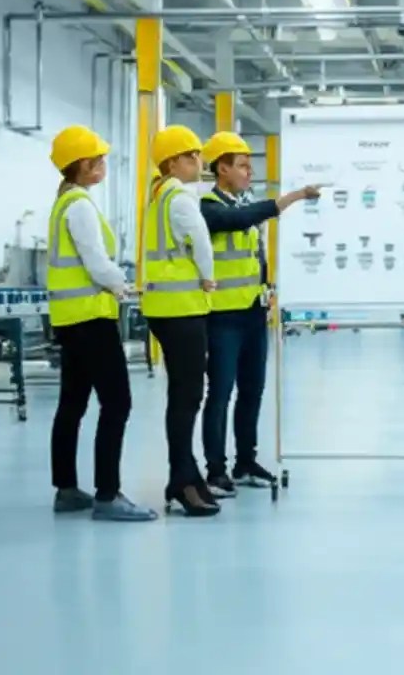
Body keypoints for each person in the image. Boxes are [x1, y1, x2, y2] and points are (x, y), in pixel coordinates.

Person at [198, 131, 323, 497]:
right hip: (222, 317)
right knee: (220, 393)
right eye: (242, 166)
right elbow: (238, 221)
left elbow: (255, 255)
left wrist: (269, 289)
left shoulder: (242, 204)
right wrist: (293, 197)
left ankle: (245, 462)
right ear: (222, 169)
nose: (249, 172)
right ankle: (216, 471)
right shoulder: (208, 207)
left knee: (253, 390)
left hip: (253, 314)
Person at [46, 124, 157, 522]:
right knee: (117, 401)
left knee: (72, 404)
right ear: (83, 164)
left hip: (70, 319)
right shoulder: (78, 206)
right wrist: (124, 286)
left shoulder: (65, 203)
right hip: (91, 318)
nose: (105, 164)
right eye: (100, 158)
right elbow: (95, 263)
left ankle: (66, 489)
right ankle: (108, 495)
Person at [141, 125, 221, 517]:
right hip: (183, 310)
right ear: (173, 162)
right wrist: (207, 276)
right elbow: (201, 243)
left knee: (182, 396)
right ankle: (182, 479)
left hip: (161, 310)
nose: (199, 162)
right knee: (188, 397)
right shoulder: (180, 199)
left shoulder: (157, 196)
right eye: (192, 156)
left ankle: (186, 475)